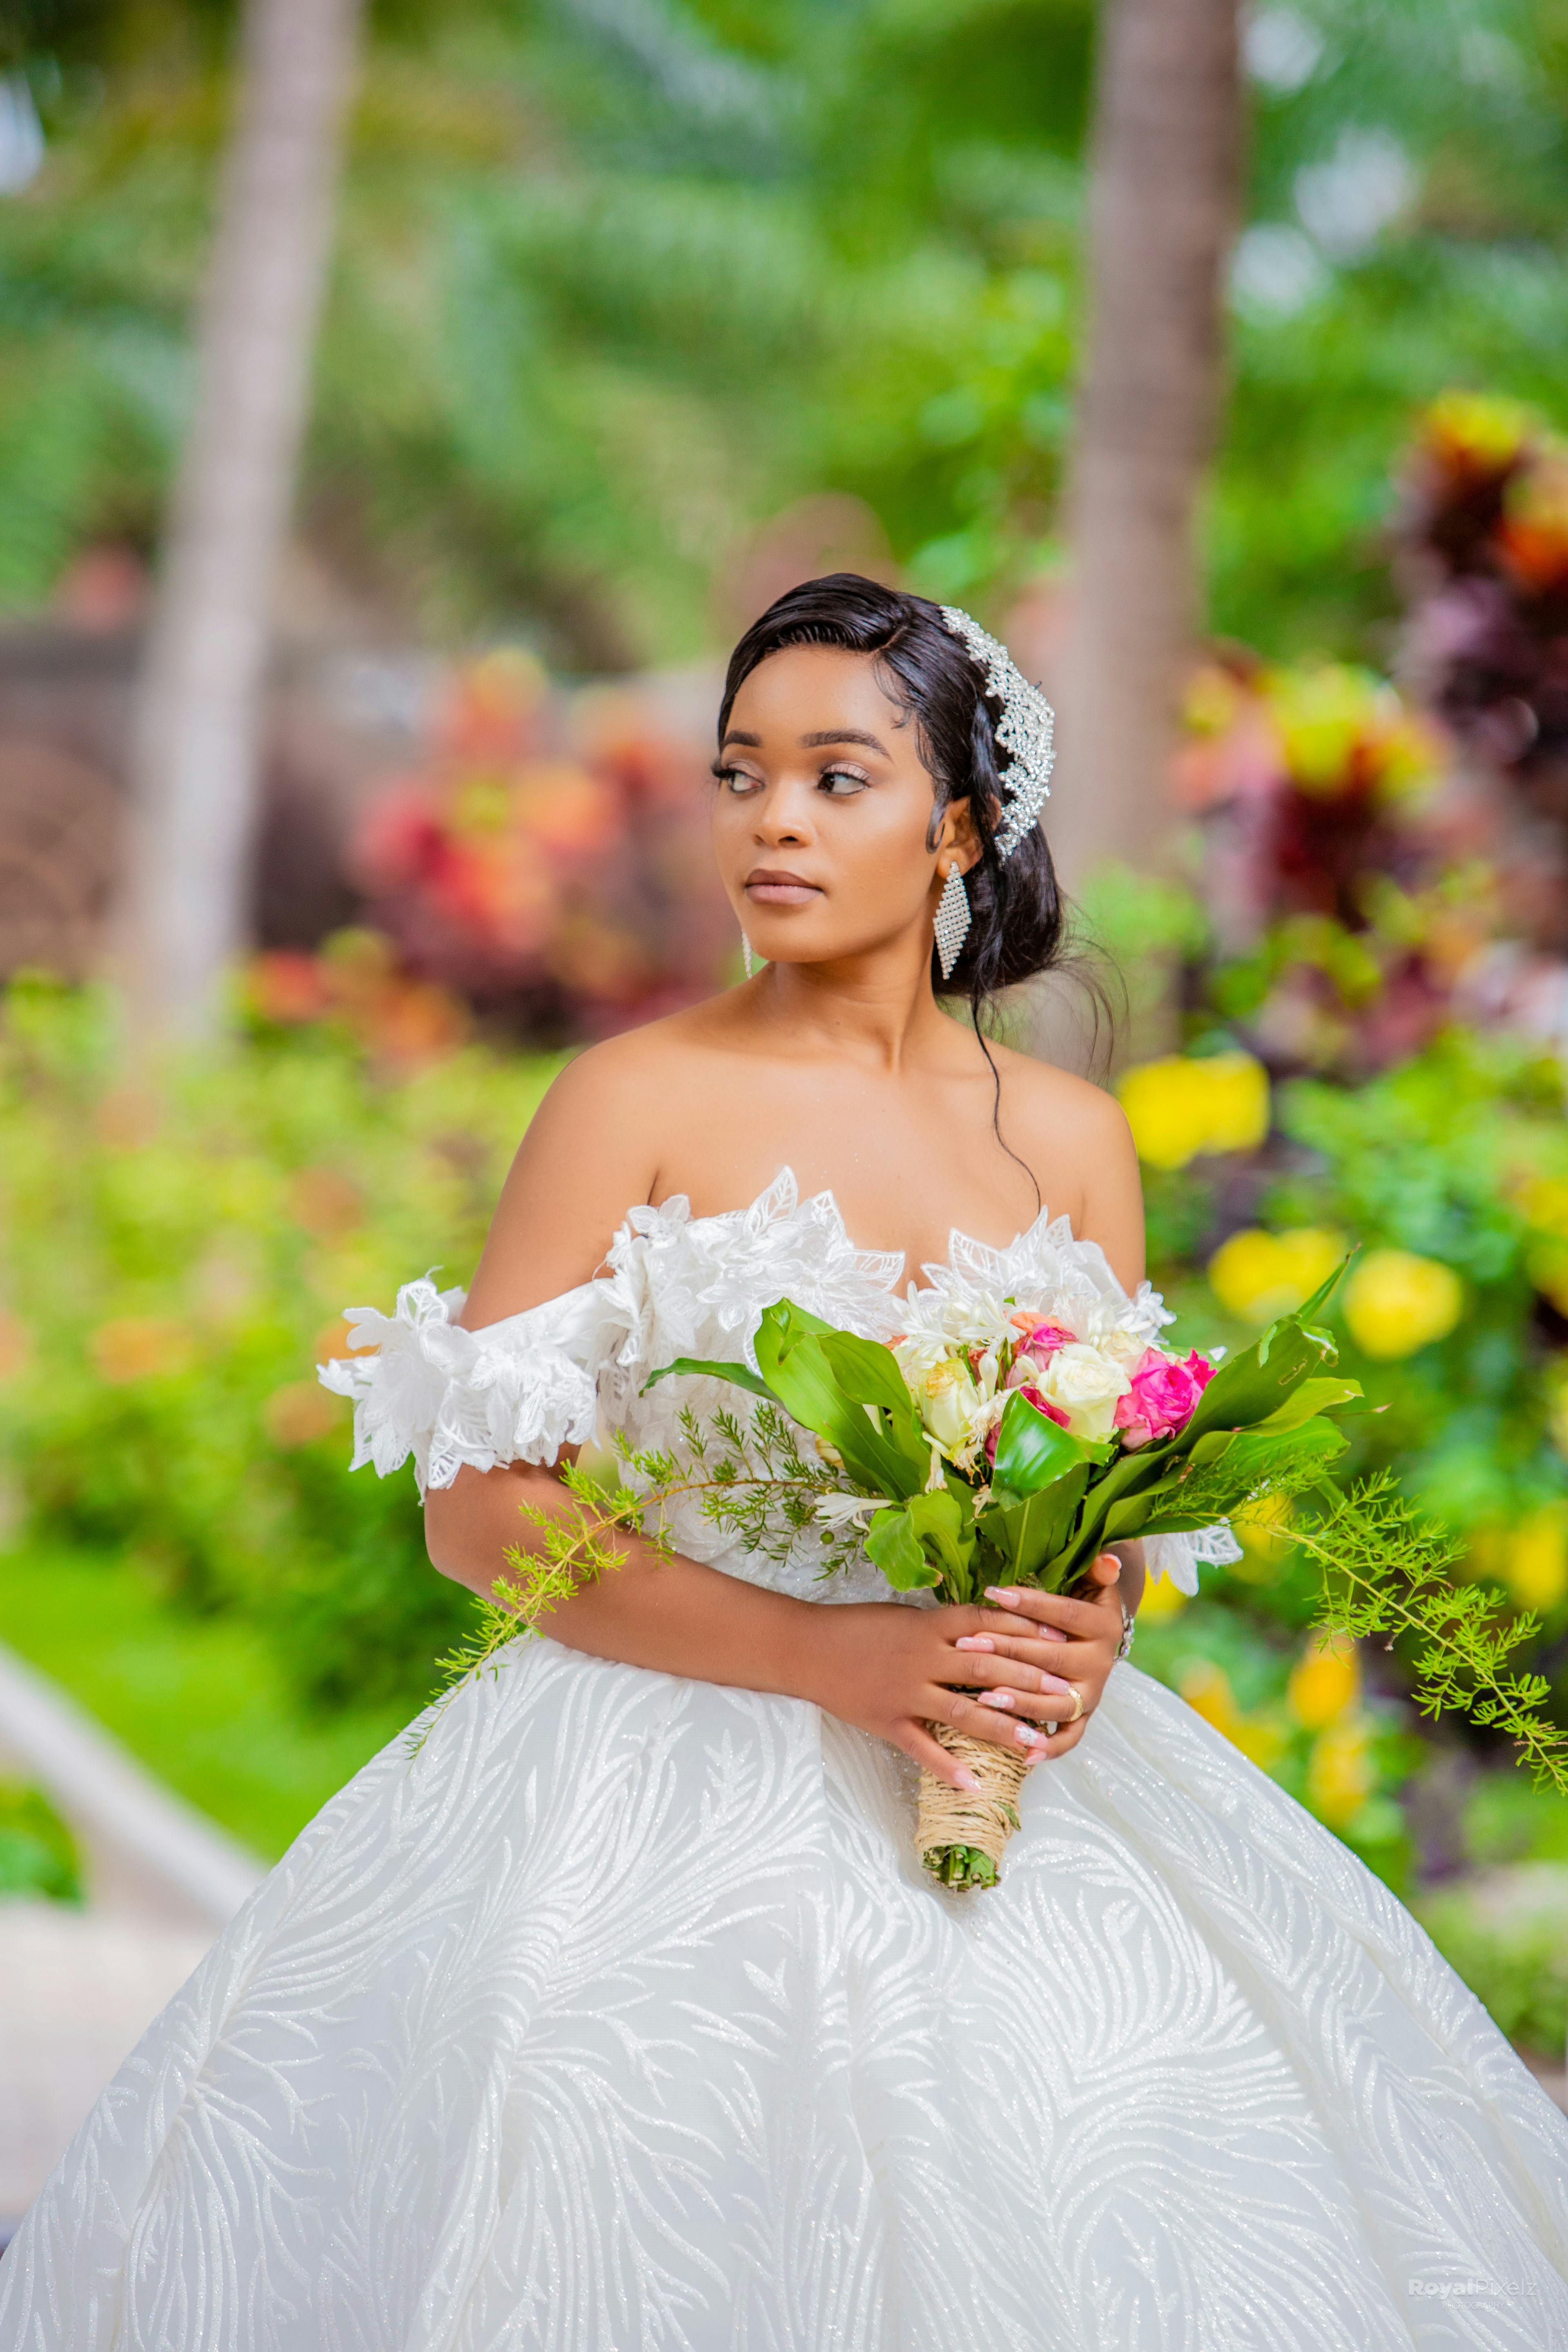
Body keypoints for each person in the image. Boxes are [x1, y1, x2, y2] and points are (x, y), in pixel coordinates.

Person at [4, 576, 1567, 2352]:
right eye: (745, 773)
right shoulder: (631, 1099)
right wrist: (837, 1656)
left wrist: (1094, 1621)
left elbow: (1111, 1471)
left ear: (961, 825)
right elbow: (479, 1513)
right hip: (651, 1781)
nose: (772, 819)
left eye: (839, 777)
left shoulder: (1068, 1133)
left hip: (1009, 1781)